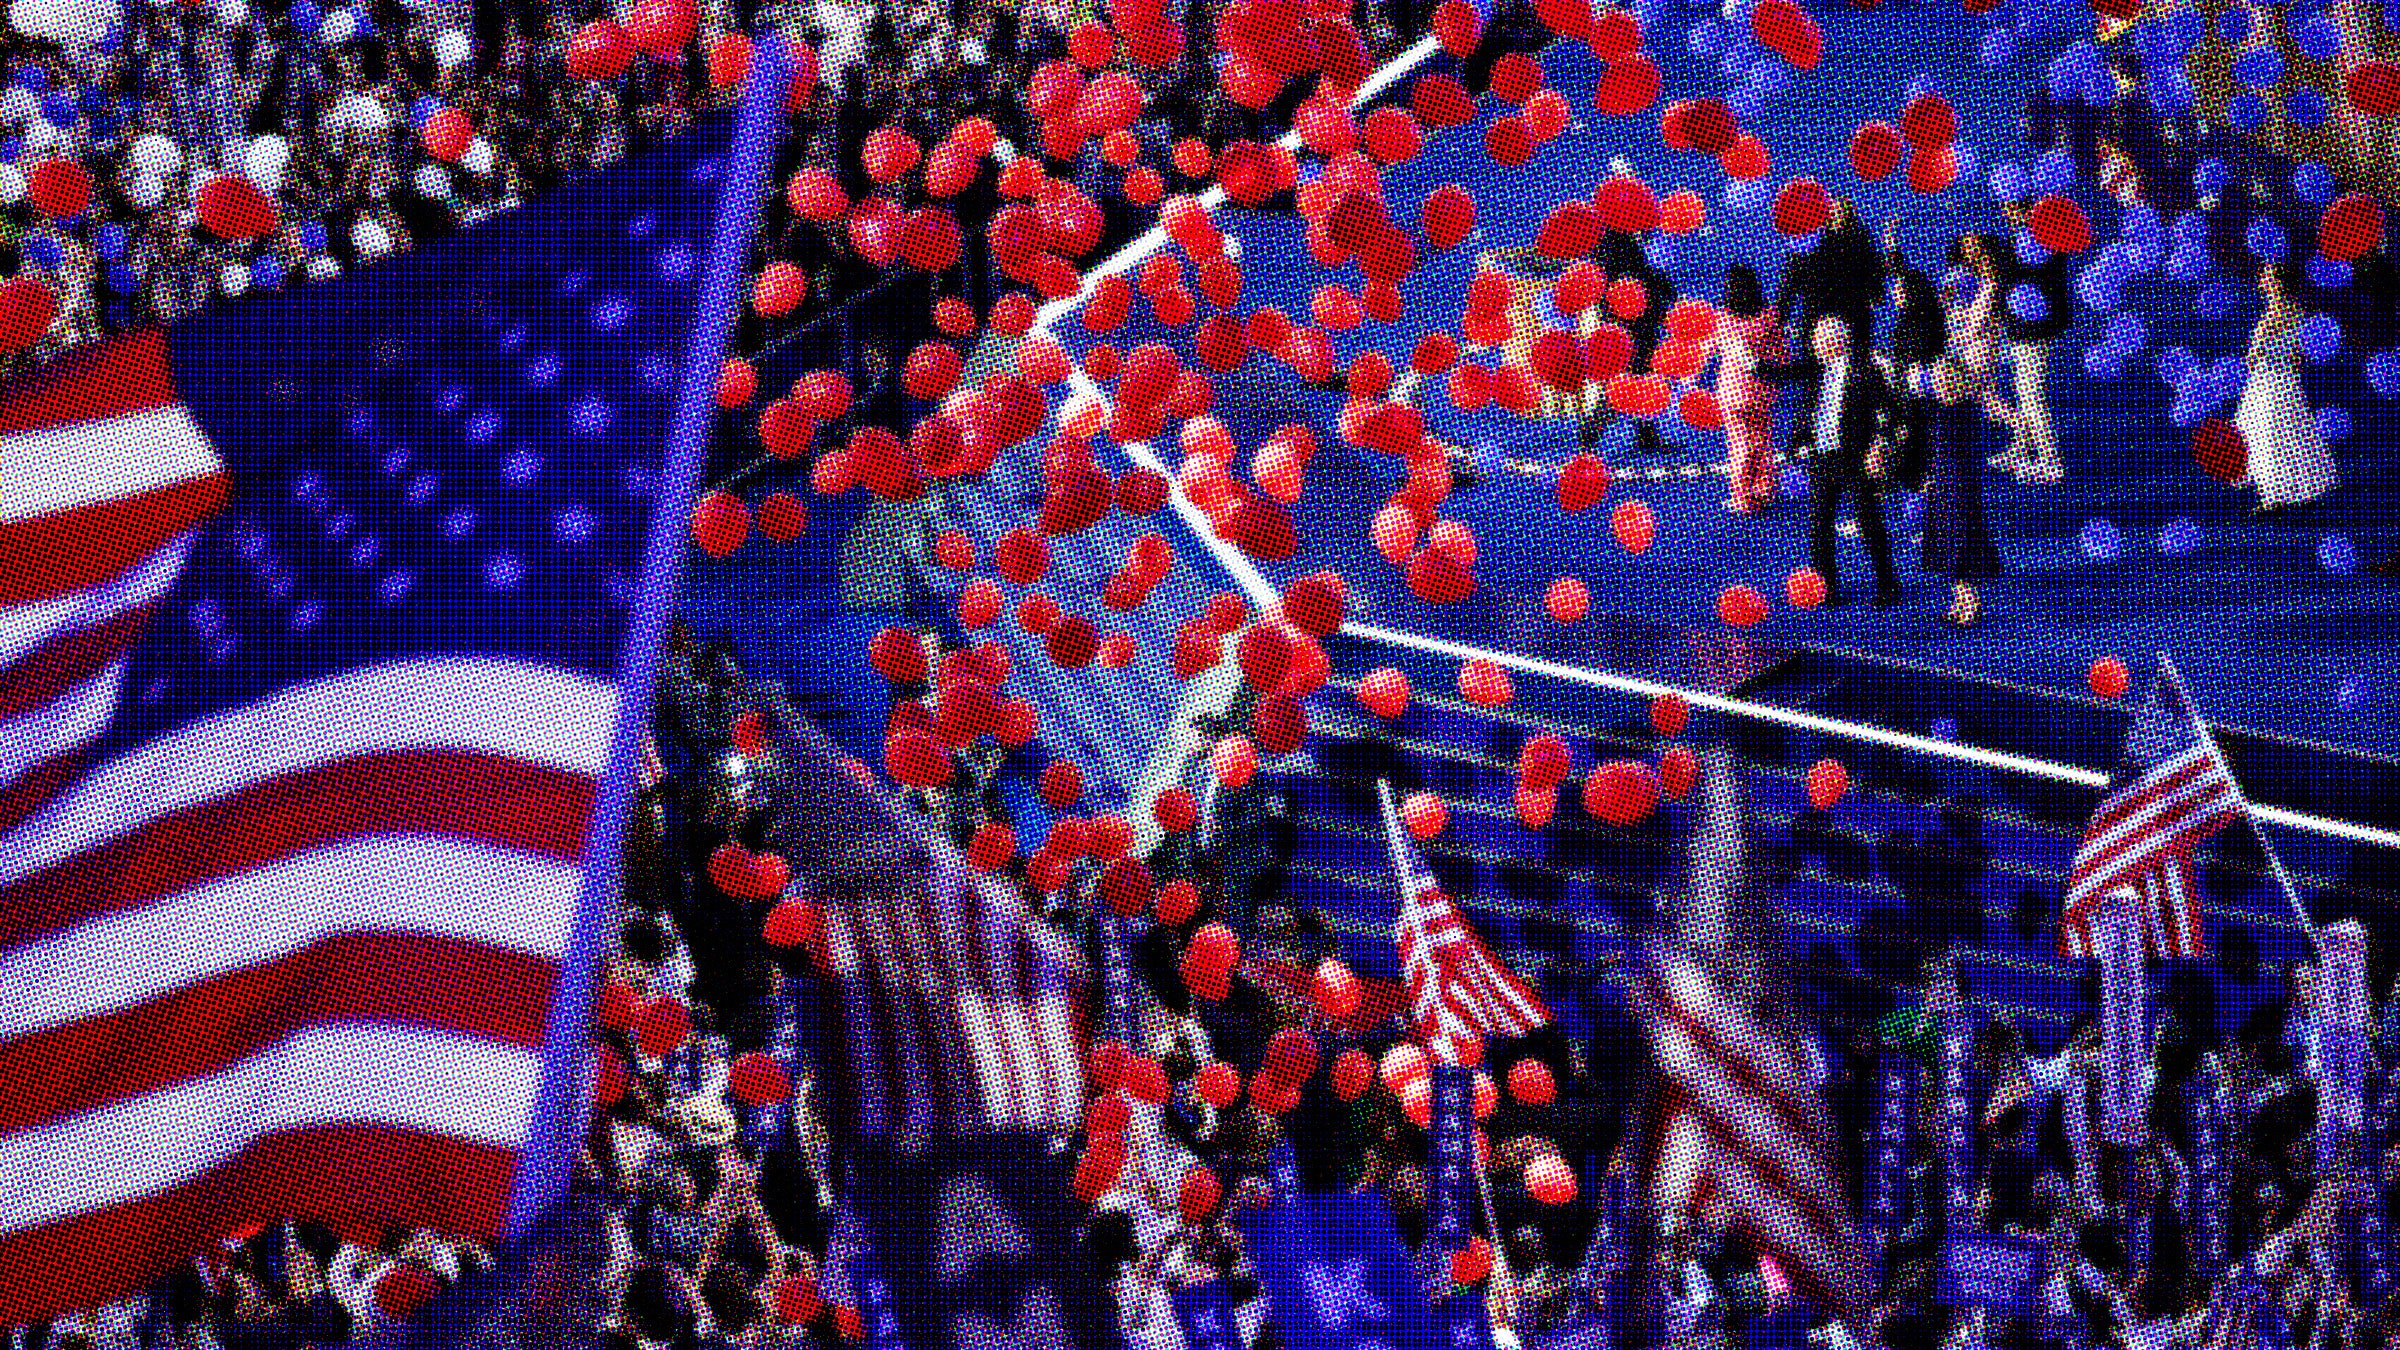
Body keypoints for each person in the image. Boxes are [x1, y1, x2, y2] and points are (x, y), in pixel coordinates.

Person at [1755, 315, 1907, 608]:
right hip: (1822, 459)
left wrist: (1879, 448)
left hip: (1856, 458)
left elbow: (1891, 411)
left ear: (1835, 341)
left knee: (1869, 522)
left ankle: (1888, 584)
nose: (1813, 343)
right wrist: (1754, 365)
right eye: (1814, 338)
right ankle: (1825, 587)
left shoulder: (1865, 371)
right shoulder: (1818, 370)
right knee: (1819, 525)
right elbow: (1790, 378)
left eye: (1818, 339)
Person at [2235, 259, 2337, 512]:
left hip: (2270, 379)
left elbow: (2255, 352)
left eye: (2267, 277)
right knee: (2286, 433)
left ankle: (2274, 494)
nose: (2262, 281)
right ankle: (2285, 489)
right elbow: (2298, 353)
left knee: (2270, 434)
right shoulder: (2296, 309)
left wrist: (2260, 351)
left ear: (2277, 282)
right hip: (2283, 377)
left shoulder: (2276, 311)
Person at [1917, 358, 2003, 627]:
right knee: (1948, 549)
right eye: (1938, 378)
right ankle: (1958, 603)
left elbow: (1968, 455)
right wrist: (1929, 480)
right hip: (1942, 489)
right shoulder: (1936, 411)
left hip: (1961, 491)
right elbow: (1934, 452)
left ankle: (1969, 607)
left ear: (1959, 382)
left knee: (1962, 549)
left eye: (1946, 377)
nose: (1940, 383)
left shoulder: (1967, 412)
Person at [1995, 199, 2074, 483]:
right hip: (2023, 328)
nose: (2007, 213)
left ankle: (2050, 460)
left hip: (2034, 330)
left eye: (2013, 207)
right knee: (2023, 392)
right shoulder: (2025, 239)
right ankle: (2022, 450)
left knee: (2031, 397)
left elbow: (2034, 284)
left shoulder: (2040, 241)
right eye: (2007, 208)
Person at [1709, 262, 1787, 513]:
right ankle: (1765, 489)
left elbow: (1713, 352)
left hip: (1732, 391)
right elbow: (1781, 353)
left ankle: (1742, 496)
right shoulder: (1769, 317)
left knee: (1739, 445)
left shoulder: (1722, 320)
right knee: (1763, 442)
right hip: (1763, 390)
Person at [1779, 196, 1882, 356]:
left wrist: (1876, 294)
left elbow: (1872, 268)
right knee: (1817, 356)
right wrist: (1783, 309)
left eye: (1840, 211)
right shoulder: (1814, 239)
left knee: (1856, 355)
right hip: (1821, 306)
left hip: (1851, 305)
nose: (1836, 214)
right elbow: (1795, 274)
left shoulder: (1859, 239)